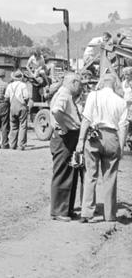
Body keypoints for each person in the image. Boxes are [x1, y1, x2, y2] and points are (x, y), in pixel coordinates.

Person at [77, 73, 128, 223]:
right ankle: (110, 215)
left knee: (90, 175)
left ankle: (87, 213)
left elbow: (86, 119)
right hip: (112, 137)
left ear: (102, 83)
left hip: (94, 137)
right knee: (110, 177)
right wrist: (120, 147)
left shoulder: (93, 95)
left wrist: (81, 141)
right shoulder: (121, 102)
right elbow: (123, 127)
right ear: (114, 84)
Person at [49, 72, 84, 221]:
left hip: (68, 137)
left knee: (70, 173)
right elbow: (57, 111)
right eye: (80, 84)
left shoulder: (64, 93)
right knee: (63, 173)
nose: (80, 87)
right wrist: (63, 126)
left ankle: (66, 209)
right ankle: (58, 211)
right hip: (65, 137)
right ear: (74, 82)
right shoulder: (64, 93)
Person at [6, 70, 31, 150]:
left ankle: (12, 145)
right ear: (21, 77)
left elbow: (6, 97)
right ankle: (21, 145)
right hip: (21, 106)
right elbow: (26, 97)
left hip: (12, 107)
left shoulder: (9, 85)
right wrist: (26, 104)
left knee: (13, 126)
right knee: (23, 126)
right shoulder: (23, 85)